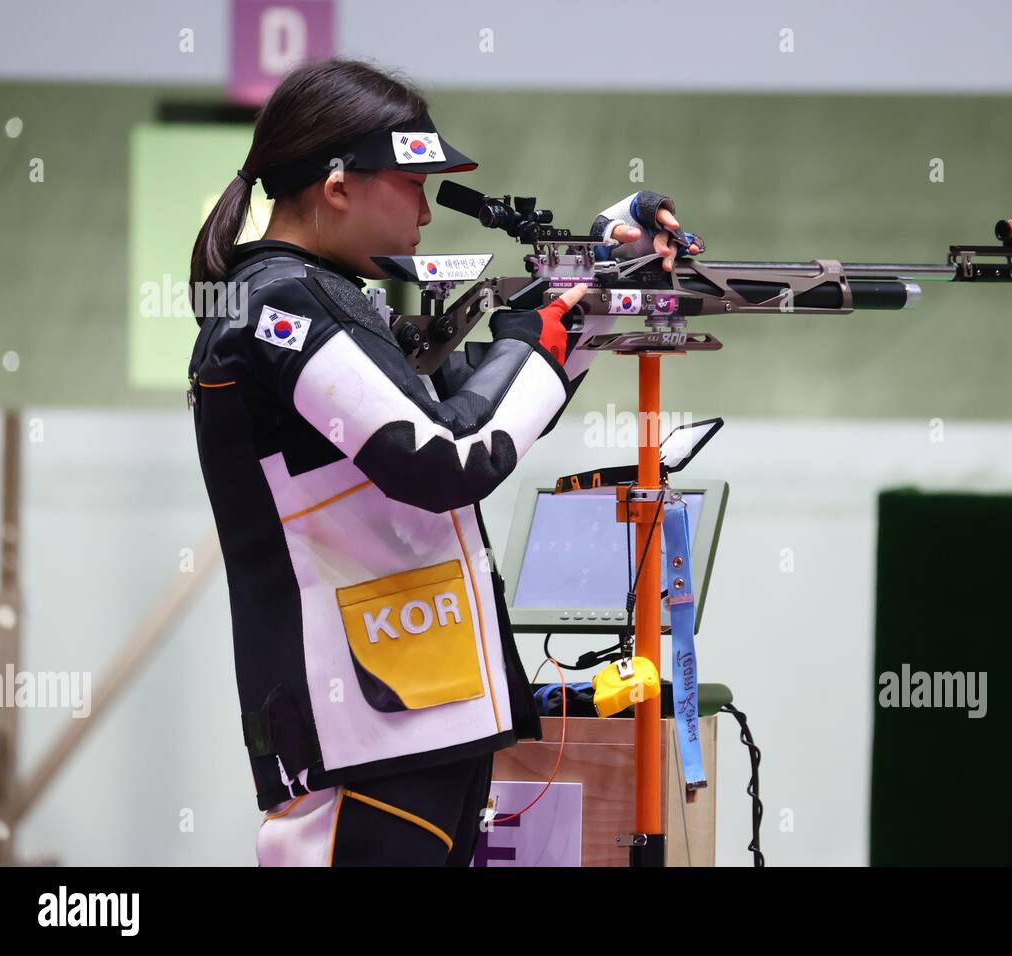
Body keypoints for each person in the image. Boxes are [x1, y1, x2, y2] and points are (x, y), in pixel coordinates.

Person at [186, 57, 699, 866]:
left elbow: (471, 401)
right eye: (412, 180)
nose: (426, 209)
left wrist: (591, 290)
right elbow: (448, 455)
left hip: (413, 716)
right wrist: (549, 330)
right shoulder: (282, 304)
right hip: (363, 727)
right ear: (338, 183)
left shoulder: (329, 301)